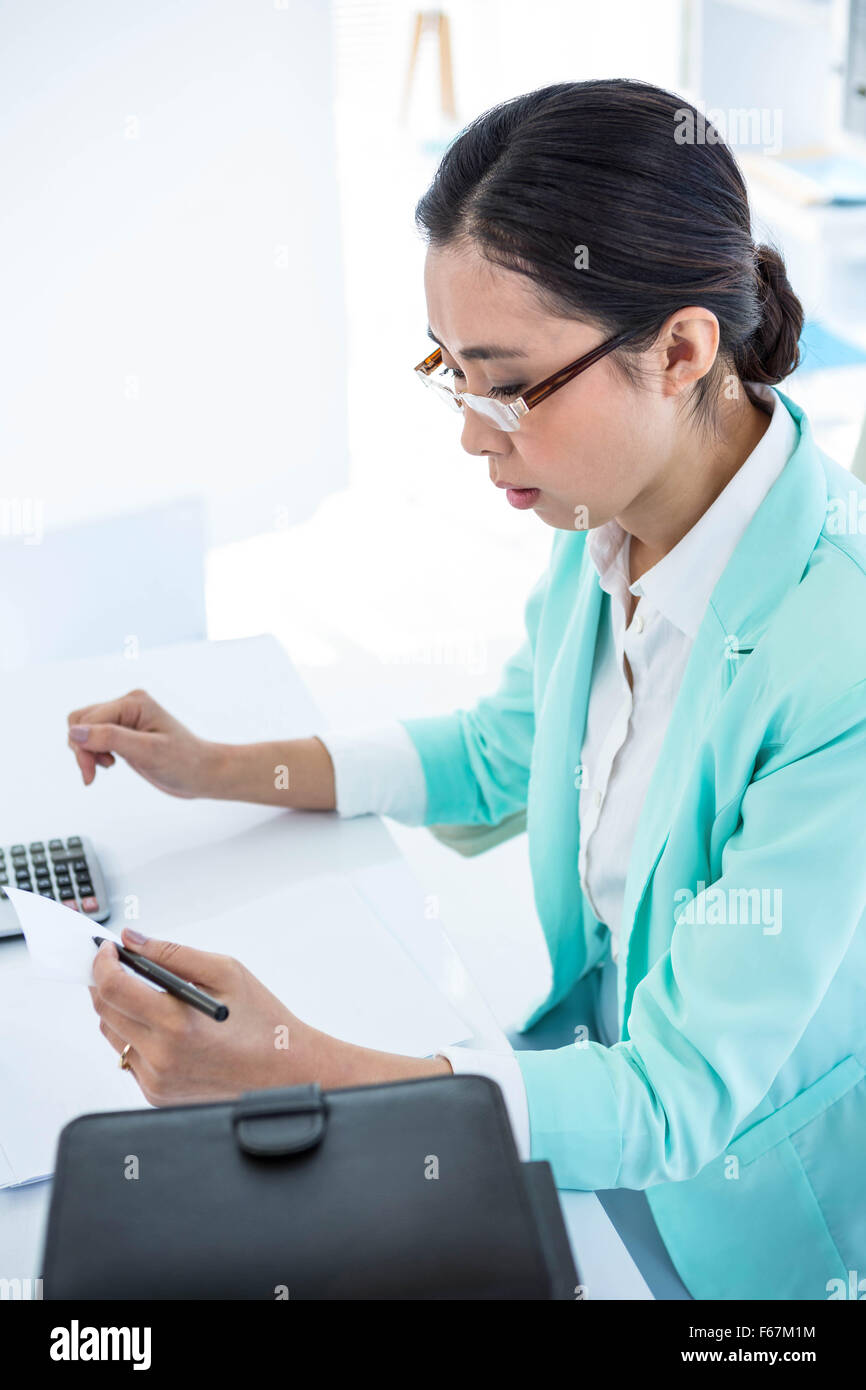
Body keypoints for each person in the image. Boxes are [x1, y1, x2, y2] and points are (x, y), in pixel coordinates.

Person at [71, 79, 866, 1301]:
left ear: (680, 350)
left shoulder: (836, 659)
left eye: (507, 383)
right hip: (573, 1134)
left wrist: (297, 1064)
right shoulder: (603, 507)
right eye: (450, 372)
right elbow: (509, 750)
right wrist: (222, 764)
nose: (470, 433)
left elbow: (672, 1097)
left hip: (751, 1234)